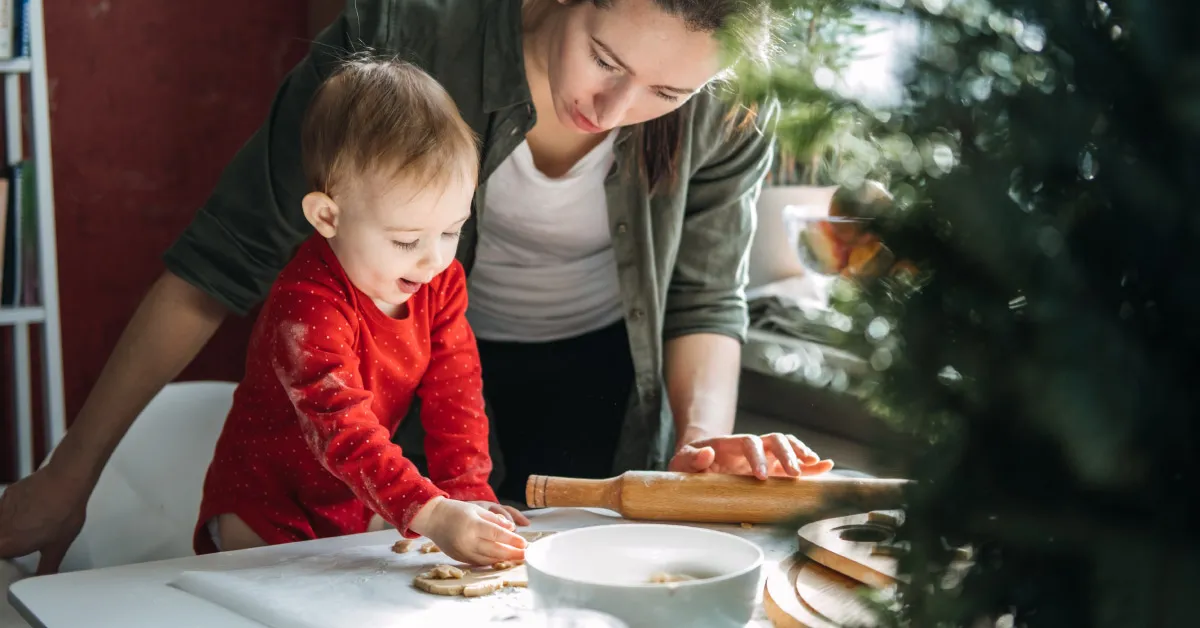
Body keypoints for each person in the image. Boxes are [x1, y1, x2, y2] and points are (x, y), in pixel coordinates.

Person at [0, 0, 834, 574]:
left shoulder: (735, 112)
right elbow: (215, 267)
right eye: (606, 58)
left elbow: (703, 301)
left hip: (605, 382)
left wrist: (696, 448)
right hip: (406, 381)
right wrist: (65, 480)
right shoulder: (404, 35)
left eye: (668, 92)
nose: (614, 108)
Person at [192, 58, 528, 566]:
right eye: (407, 239)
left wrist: (466, 493)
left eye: (451, 229)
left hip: (360, 495)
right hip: (263, 504)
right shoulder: (305, 304)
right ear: (328, 215)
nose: (434, 258)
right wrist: (434, 514)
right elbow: (342, 429)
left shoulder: (438, 284)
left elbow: (455, 393)